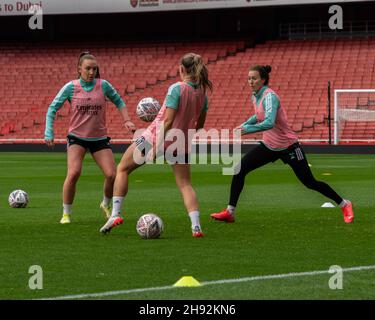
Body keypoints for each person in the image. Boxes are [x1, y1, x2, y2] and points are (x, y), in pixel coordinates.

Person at [211, 65, 354, 224]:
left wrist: (247, 129)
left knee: (310, 182)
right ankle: (230, 212)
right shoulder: (255, 96)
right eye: (249, 78)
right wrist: (245, 123)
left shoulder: (270, 97)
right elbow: (258, 115)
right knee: (239, 169)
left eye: (254, 78)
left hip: (289, 147)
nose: (250, 81)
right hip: (269, 146)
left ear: (263, 80)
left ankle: (344, 204)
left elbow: (269, 122)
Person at [100, 52, 212, 237]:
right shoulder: (202, 94)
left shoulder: (177, 88)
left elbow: (167, 121)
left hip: (153, 138)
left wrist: (157, 147)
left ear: (181, 69)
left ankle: (115, 214)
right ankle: (196, 227)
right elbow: (199, 125)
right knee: (185, 184)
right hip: (180, 143)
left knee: (122, 169)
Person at [44, 52, 136, 224]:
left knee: (112, 175)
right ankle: (66, 213)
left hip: (99, 139)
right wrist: (49, 132)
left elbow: (119, 102)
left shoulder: (104, 85)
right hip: (77, 137)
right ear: (79, 69)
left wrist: (127, 120)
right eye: (88, 68)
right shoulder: (71, 87)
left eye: (94, 69)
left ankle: (105, 204)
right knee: (74, 173)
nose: (91, 72)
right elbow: (52, 109)